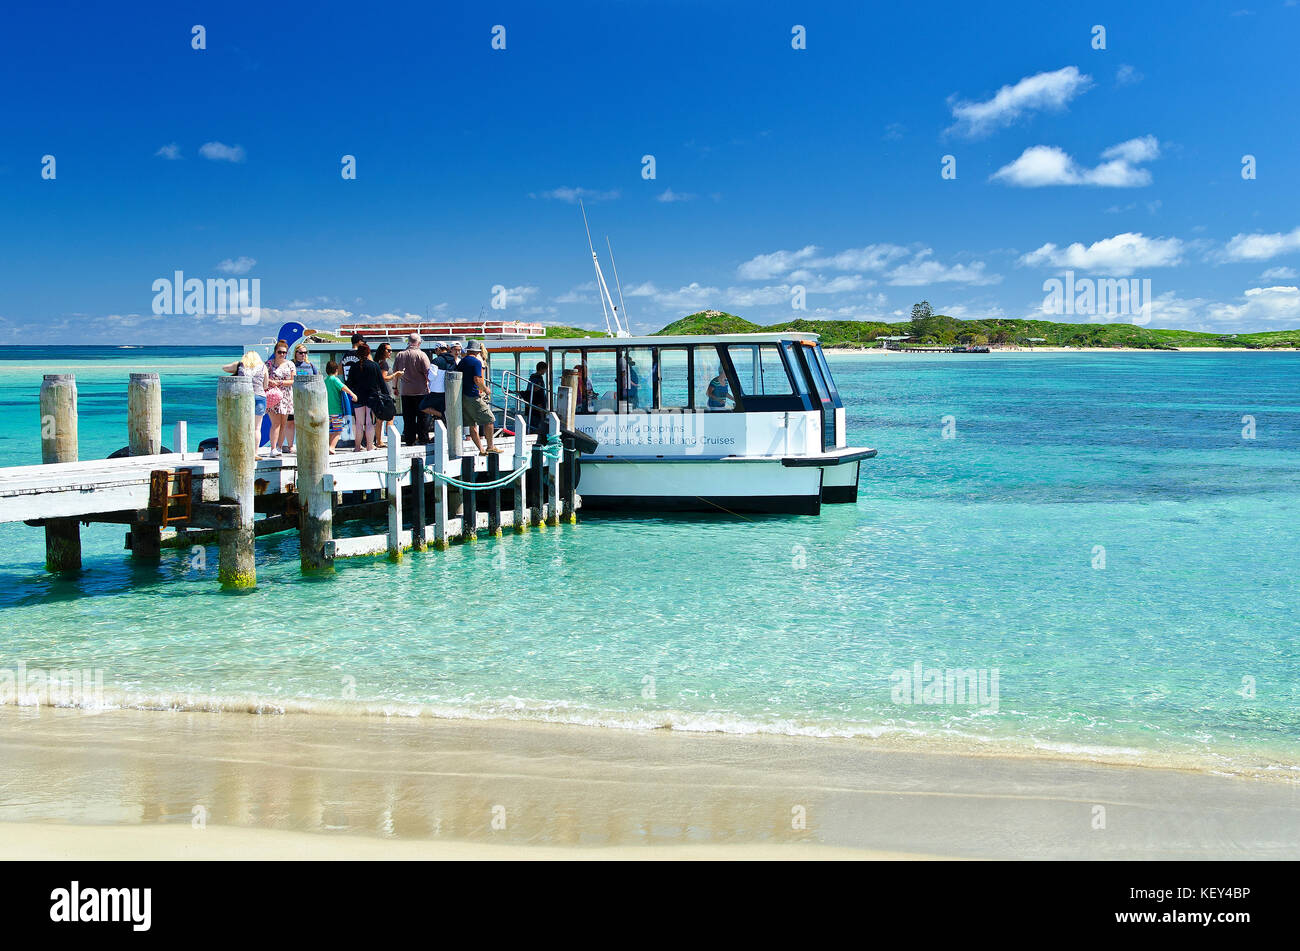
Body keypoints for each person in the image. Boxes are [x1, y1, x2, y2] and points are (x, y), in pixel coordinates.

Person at [457, 340, 500, 453]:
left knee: (472, 425)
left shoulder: (462, 362)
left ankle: (481, 449)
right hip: (473, 395)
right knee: (490, 419)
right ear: (477, 351)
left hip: (462, 396)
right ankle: (490, 447)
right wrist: (486, 389)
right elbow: (477, 379)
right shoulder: (476, 362)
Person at [222, 351, 268, 452]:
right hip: (259, 397)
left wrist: (237, 364)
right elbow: (265, 385)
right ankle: (255, 452)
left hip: (244, 397)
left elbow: (224, 368)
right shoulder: (263, 367)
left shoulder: (240, 366)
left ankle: (243, 451)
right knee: (256, 428)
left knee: (242, 426)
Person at [393, 332, 431, 446]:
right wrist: (429, 386)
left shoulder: (400, 355)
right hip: (421, 391)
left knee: (408, 417)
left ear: (408, 342)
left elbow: (396, 374)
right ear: (418, 343)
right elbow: (428, 373)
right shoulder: (422, 355)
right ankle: (423, 438)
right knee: (422, 417)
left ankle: (410, 439)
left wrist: (395, 387)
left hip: (406, 391)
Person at [345, 342, 384, 451]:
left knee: (359, 423)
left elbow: (349, 384)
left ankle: (357, 447)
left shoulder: (354, 366)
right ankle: (370, 446)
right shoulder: (374, 365)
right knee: (369, 423)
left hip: (358, 397)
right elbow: (381, 383)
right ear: (368, 353)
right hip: (372, 397)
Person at [264, 340, 296, 456]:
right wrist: (271, 381)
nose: (282, 354)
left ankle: (279, 447)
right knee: (275, 423)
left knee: (283, 423)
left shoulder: (290, 364)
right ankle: (273, 448)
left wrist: (280, 382)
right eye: (280, 352)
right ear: (275, 352)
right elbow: (262, 379)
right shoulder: (268, 364)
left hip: (286, 396)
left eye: (284, 352)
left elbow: (293, 380)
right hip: (274, 396)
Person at [324, 361, 356, 455]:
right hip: (337, 410)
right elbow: (343, 387)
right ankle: (332, 447)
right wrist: (352, 394)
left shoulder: (325, 381)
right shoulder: (335, 380)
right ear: (336, 370)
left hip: (327, 411)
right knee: (338, 430)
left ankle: (328, 447)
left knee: (330, 431)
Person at [419, 343, 453, 426]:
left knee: (422, 406)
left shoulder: (436, 361)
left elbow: (431, 377)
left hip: (436, 391)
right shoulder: (452, 360)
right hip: (448, 390)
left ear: (438, 349)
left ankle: (442, 415)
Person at [372, 342, 397, 449]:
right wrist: (396, 375)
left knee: (379, 419)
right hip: (386, 394)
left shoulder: (377, 362)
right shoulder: (384, 364)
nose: (390, 352)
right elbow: (384, 378)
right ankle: (389, 440)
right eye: (388, 350)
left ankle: (379, 441)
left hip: (379, 393)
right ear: (383, 351)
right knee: (390, 417)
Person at [525, 360, 548, 433]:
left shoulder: (532, 377)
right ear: (542, 369)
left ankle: (531, 432)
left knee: (532, 422)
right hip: (537, 405)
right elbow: (538, 393)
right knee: (537, 424)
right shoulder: (538, 379)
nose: (545, 371)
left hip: (532, 403)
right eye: (545, 369)